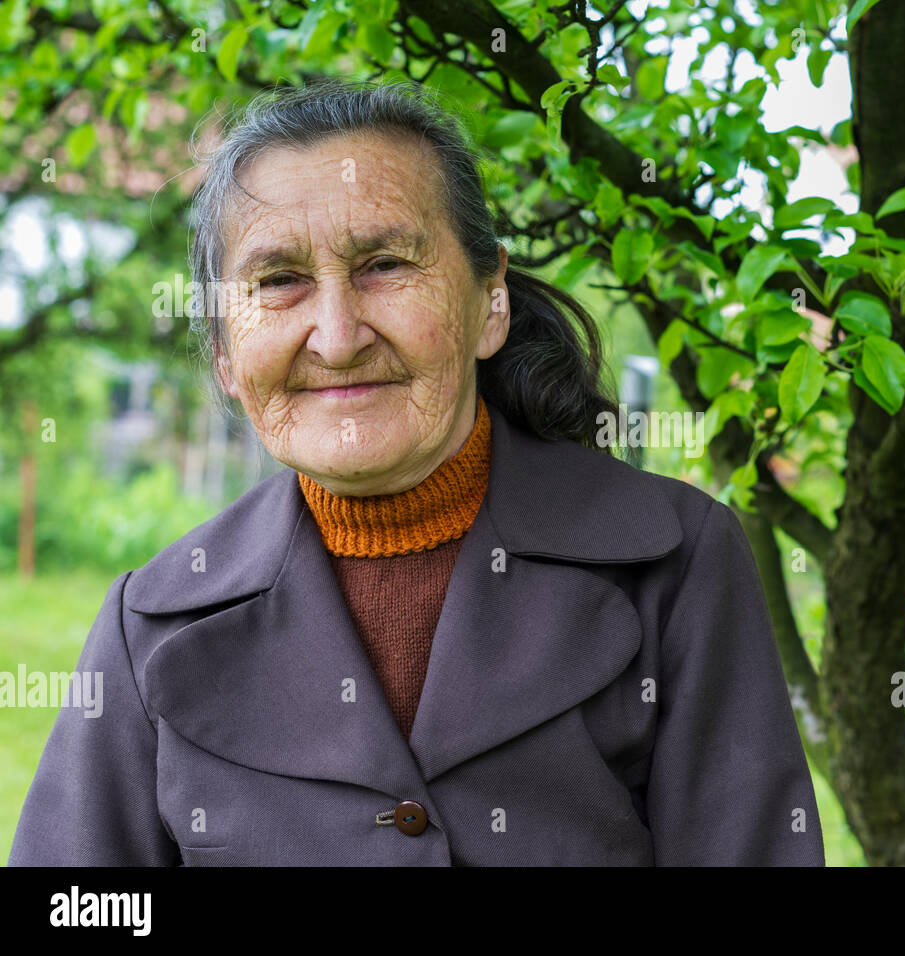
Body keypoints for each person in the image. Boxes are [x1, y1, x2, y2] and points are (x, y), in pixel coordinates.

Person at [8, 79, 824, 866]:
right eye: (280, 281)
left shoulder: (673, 563)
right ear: (224, 350)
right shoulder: (152, 625)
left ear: (488, 302)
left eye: (386, 264)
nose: (336, 336)